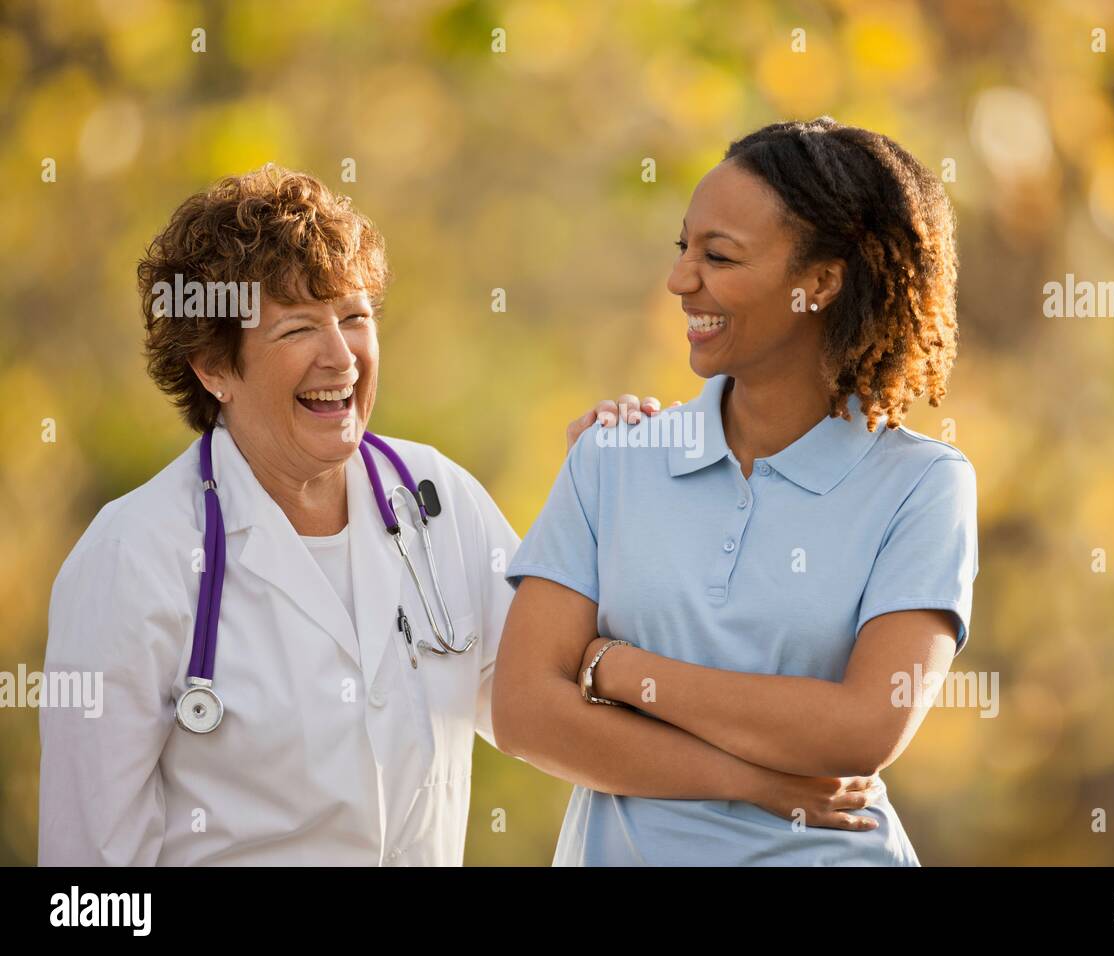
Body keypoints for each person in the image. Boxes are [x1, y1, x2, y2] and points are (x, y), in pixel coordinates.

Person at [38, 165, 658, 865]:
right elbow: (86, 880)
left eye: (356, 317)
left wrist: (607, 512)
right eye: (299, 328)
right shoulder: (133, 555)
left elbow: (552, 713)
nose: (342, 358)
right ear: (213, 366)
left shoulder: (438, 499)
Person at [493, 118, 977, 866]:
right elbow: (525, 713)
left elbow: (861, 730)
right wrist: (750, 780)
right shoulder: (613, 458)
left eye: (718, 256)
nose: (681, 280)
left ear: (819, 282)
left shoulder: (922, 486)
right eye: (682, 248)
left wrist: (615, 669)